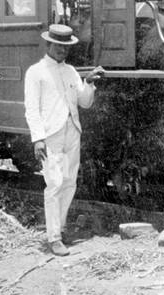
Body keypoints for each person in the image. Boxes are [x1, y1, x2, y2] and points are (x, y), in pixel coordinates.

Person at [23, 23, 105, 256]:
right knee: (55, 183)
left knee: (69, 182)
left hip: (72, 131)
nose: (62, 51)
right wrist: (38, 139)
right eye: (58, 46)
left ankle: (61, 228)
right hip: (51, 134)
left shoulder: (70, 71)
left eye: (66, 47)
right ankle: (53, 237)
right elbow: (31, 109)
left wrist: (88, 83)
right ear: (48, 44)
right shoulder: (36, 72)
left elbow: (84, 102)